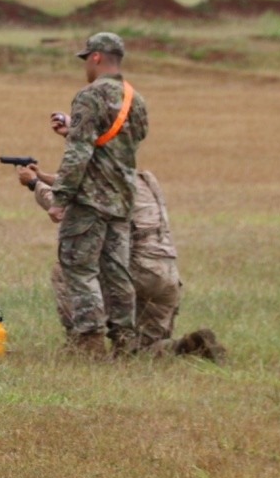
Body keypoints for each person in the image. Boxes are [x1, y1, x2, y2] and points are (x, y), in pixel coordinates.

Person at [16, 158, 221, 359]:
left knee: (67, 269)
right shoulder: (144, 179)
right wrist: (43, 176)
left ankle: (82, 343)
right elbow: (77, 184)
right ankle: (186, 347)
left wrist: (34, 183)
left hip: (134, 272)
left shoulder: (103, 189)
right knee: (138, 352)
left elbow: (64, 208)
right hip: (166, 279)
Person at [51, 32, 148, 358]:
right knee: (117, 272)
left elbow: (79, 153)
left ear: (95, 57)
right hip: (122, 200)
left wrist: (60, 197)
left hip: (91, 200)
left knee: (79, 268)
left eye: (86, 60)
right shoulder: (136, 98)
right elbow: (127, 140)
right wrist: (75, 127)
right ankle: (125, 342)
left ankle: (89, 343)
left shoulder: (89, 96)